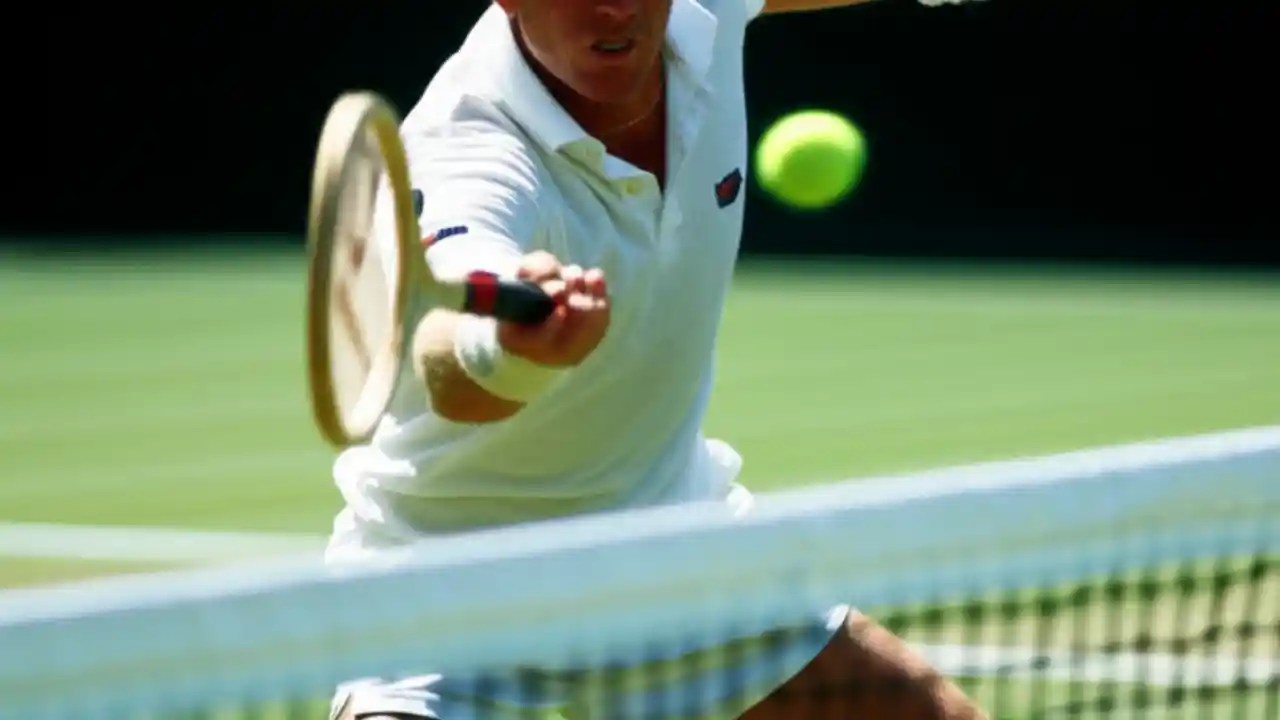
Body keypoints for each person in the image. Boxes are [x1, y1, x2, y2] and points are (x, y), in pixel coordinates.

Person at [328, 1, 987, 718]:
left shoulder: (703, 13)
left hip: (676, 563)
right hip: (451, 609)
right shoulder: (465, 154)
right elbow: (448, 364)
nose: (614, 7)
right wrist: (511, 352)